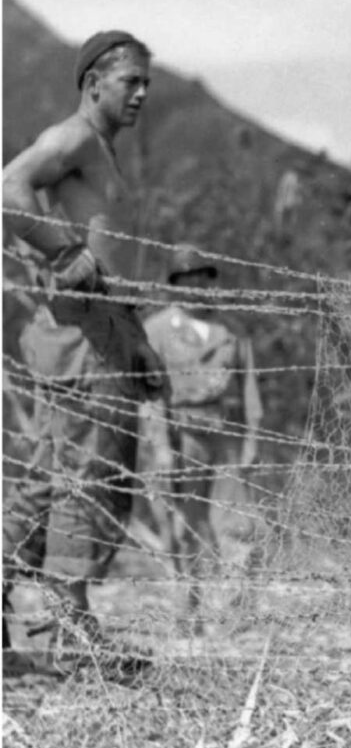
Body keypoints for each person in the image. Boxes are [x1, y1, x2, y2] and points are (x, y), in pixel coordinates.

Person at [2, 30, 167, 678]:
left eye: (147, 83)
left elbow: (111, 264)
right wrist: (61, 252)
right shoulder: (73, 138)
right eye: (132, 82)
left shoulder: (103, 152)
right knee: (84, 483)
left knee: (52, 480)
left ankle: (48, 624)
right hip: (77, 341)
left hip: (103, 336)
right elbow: (9, 187)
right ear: (94, 83)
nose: (143, 94)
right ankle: (67, 636)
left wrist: (139, 341)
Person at [141, 244, 263, 628]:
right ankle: (187, 607)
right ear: (174, 285)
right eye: (186, 279)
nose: (196, 287)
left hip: (222, 432)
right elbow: (150, 393)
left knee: (237, 525)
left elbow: (248, 390)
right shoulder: (157, 329)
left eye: (202, 278)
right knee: (184, 527)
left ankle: (234, 610)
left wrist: (252, 441)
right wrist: (160, 446)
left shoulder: (230, 331)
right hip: (178, 433)